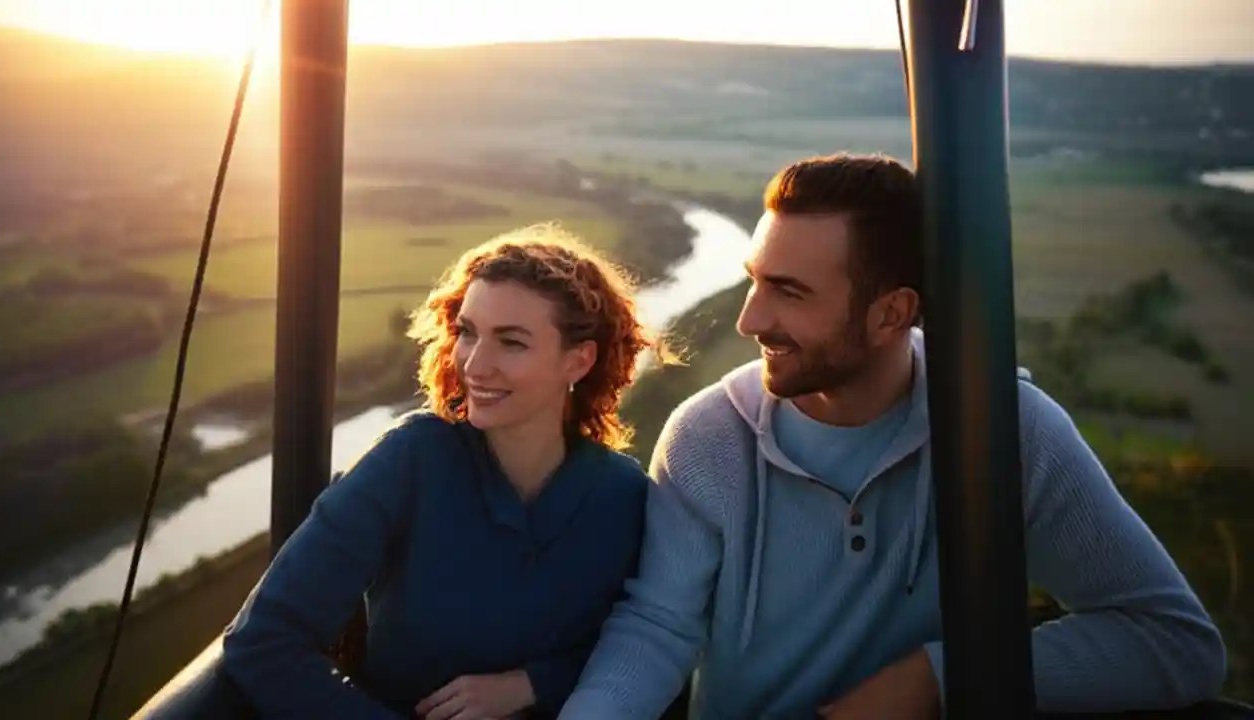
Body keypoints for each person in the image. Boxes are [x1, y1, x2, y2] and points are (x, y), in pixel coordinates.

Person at [558, 153, 1227, 719]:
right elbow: (657, 628)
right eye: (755, 282)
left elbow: (1172, 641)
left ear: (891, 314)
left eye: (789, 292)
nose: (750, 319)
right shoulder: (708, 437)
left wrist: (931, 679)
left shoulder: (1006, 432)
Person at [222, 224, 672, 719]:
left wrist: (530, 684)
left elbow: (650, 644)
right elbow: (264, 638)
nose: (476, 365)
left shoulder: (622, 496)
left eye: (512, 342)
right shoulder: (411, 459)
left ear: (578, 360)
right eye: (467, 333)